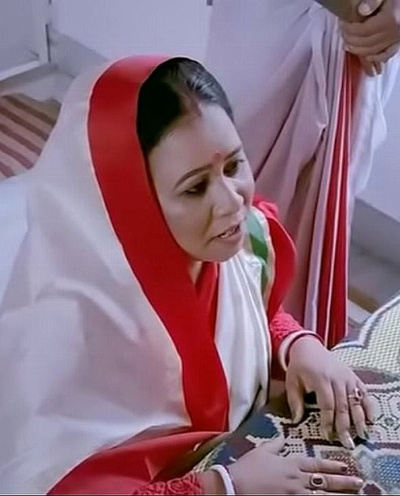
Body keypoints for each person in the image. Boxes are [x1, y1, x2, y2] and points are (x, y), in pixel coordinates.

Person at [0, 56, 373, 495]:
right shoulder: (67, 334)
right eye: (196, 188)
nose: (232, 202)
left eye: (233, 166)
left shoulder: (233, 242)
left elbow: (250, 315)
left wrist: (298, 345)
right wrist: (221, 486)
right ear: (132, 200)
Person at [205, 0, 400, 348]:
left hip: (362, 41)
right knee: (225, 188)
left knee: (306, 229)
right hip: (272, 22)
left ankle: (280, 345)